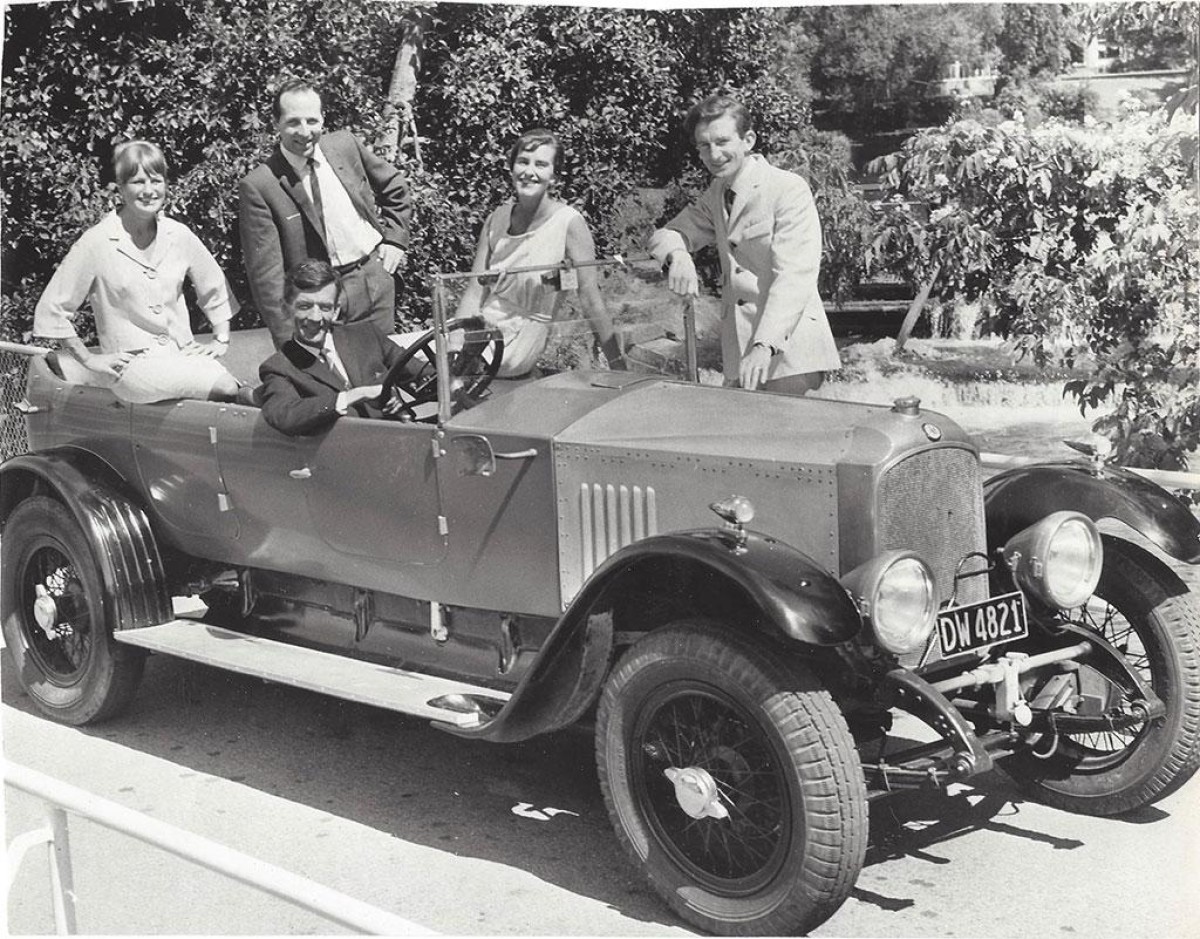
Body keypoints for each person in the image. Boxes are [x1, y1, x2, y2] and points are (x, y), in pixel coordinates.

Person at [648, 94, 840, 395]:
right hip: (740, 354)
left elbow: (794, 276)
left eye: (723, 142)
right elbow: (668, 233)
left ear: (748, 140)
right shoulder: (717, 192)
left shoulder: (787, 188)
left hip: (789, 353)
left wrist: (764, 346)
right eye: (704, 145)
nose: (714, 154)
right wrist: (678, 255)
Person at [33, 140, 246, 404]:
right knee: (227, 388)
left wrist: (220, 339)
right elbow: (52, 309)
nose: (149, 191)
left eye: (156, 181)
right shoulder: (97, 242)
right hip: (131, 366)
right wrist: (89, 359)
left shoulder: (178, 235)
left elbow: (215, 286)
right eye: (137, 182)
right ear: (121, 188)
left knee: (233, 392)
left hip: (183, 356)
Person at [239, 77, 413, 349]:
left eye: (312, 121)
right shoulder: (261, 185)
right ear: (277, 124)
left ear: (322, 119)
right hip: (321, 300)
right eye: (293, 122)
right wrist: (289, 342)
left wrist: (394, 239)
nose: (304, 132)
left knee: (383, 369)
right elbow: (267, 280)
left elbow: (394, 186)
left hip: (374, 278)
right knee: (336, 381)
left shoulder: (344, 146)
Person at [454, 128, 622, 378]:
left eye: (540, 164)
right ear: (512, 168)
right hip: (480, 332)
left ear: (553, 176)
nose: (529, 172)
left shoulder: (568, 223)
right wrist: (454, 341)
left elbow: (590, 299)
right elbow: (474, 292)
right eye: (523, 162)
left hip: (518, 344)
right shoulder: (496, 218)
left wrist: (619, 367)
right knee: (386, 346)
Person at [258, 260, 413, 437]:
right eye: (304, 306)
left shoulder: (367, 335)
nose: (315, 318)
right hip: (344, 455)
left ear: (336, 310)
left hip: (401, 440)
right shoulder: (279, 367)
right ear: (286, 309)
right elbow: (283, 414)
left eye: (325, 307)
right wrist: (352, 396)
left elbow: (424, 375)